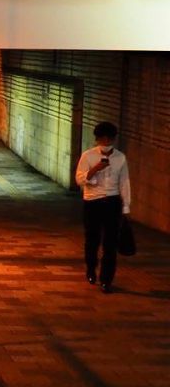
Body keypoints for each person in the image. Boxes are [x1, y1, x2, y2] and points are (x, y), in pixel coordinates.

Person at [74, 121, 132, 294]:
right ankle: (91, 269)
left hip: (112, 202)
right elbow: (79, 179)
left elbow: (124, 181)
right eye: (102, 139)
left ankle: (106, 279)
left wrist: (126, 206)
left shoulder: (120, 157)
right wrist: (96, 169)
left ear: (113, 139)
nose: (106, 142)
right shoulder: (88, 156)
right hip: (93, 201)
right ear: (97, 139)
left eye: (109, 139)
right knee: (92, 239)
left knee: (110, 243)